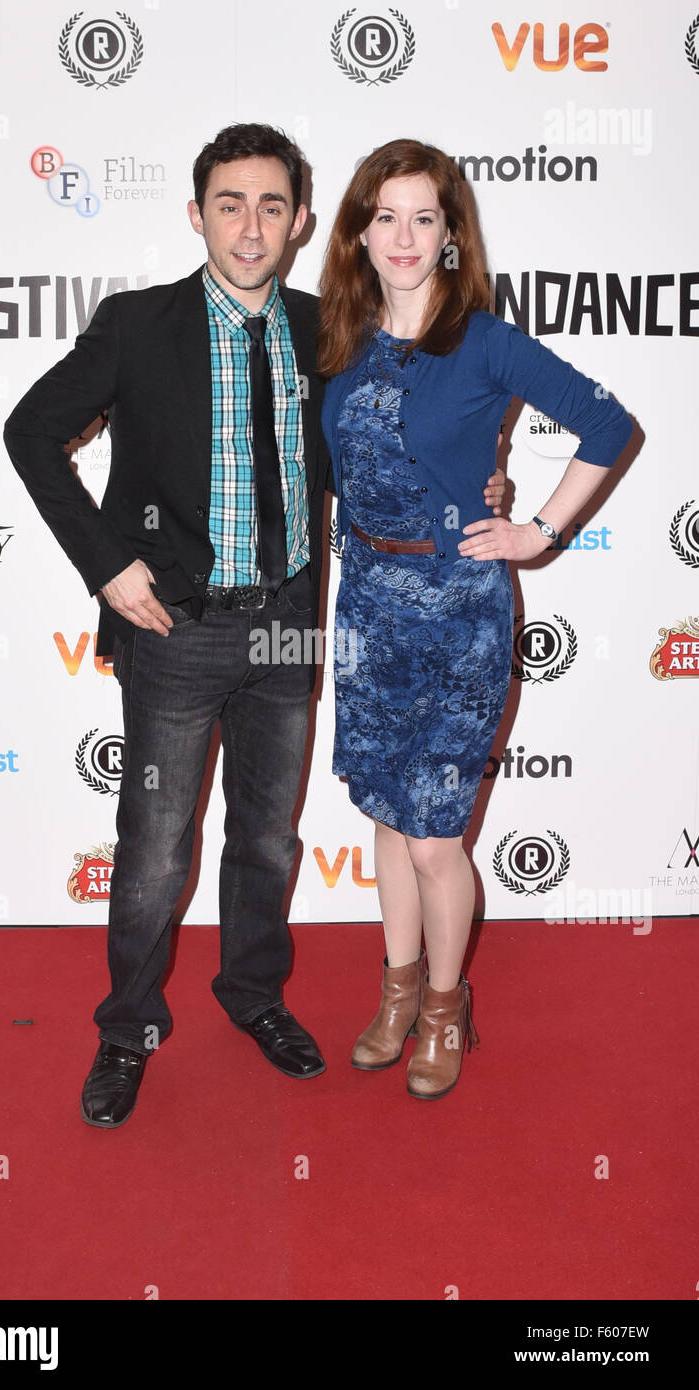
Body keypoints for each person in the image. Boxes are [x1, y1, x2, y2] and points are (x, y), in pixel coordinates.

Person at [4, 124, 506, 1129]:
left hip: (289, 625)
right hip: (174, 629)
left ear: (302, 221)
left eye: (272, 205)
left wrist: (482, 487)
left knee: (267, 842)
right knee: (153, 851)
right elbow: (29, 430)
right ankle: (127, 1028)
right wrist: (107, 564)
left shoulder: (335, 333)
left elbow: (403, 441)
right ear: (197, 215)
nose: (251, 224)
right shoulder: (138, 325)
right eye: (229, 203)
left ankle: (254, 997)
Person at [318, 139, 633, 1100]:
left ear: (452, 236)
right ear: (359, 234)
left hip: (460, 615)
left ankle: (446, 1008)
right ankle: (397, 990)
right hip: (368, 602)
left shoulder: (486, 341)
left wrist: (537, 529)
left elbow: (609, 426)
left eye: (425, 218)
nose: (405, 236)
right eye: (386, 217)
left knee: (433, 836)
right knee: (384, 808)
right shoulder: (335, 337)